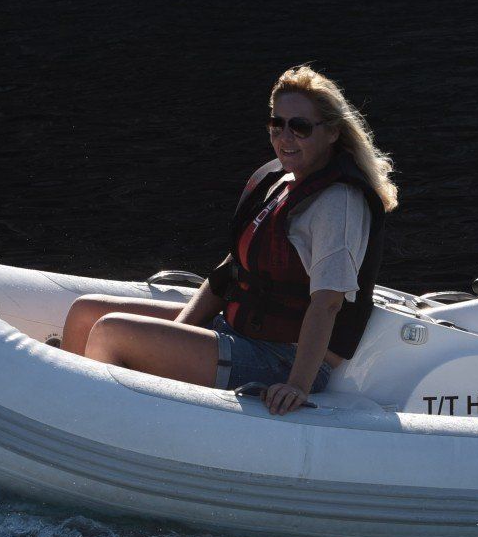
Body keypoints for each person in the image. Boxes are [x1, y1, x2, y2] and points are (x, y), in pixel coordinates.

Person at [60, 66, 396, 415]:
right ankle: (65, 416)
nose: (285, 136)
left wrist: (296, 385)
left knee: (111, 332)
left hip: (283, 357)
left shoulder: (337, 203)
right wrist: (177, 334)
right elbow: (230, 273)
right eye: (276, 124)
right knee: (85, 312)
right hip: (239, 328)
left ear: (332, 133)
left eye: (300, 127)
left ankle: (87, 426)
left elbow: (328, 303)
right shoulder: (281, 182)